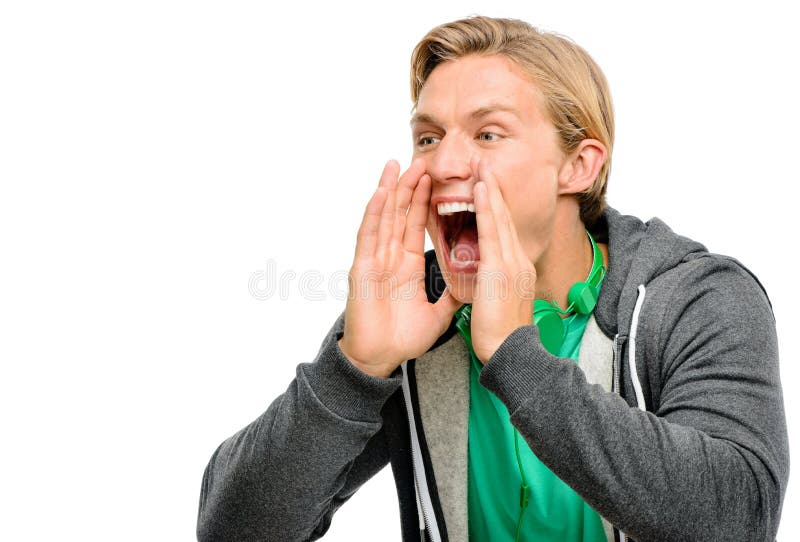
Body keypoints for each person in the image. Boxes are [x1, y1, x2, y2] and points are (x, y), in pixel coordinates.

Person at [196, 16, 788, 542]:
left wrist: (514, 357)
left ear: (579, 165)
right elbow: (230, 532)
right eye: (428, 138)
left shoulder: (699, 298)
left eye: (487, 134)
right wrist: (355, 369)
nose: (444, 163)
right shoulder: (414, 311)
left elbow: (738, 519)